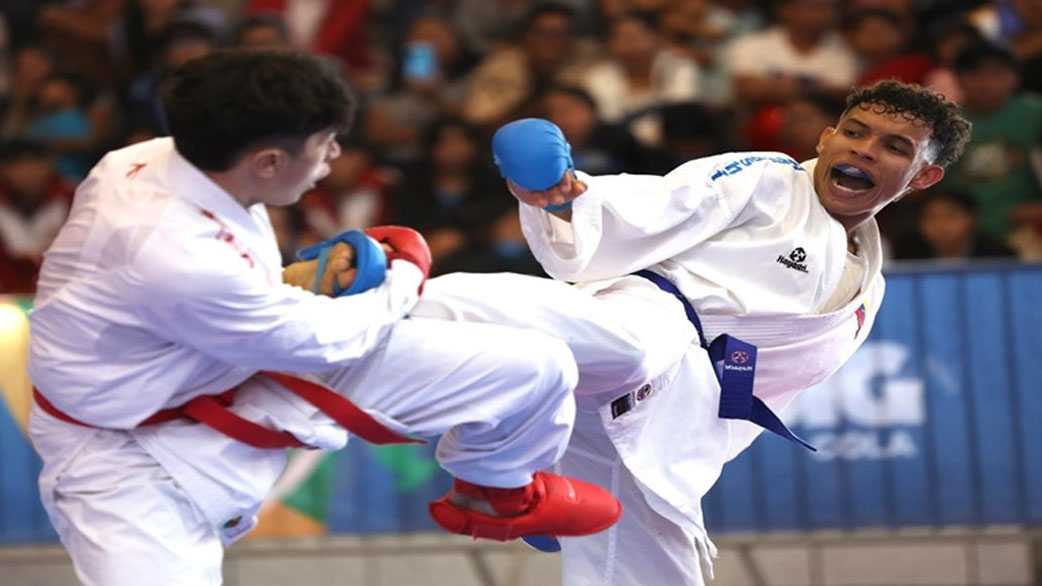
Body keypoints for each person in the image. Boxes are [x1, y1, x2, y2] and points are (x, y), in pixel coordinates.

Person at [27, 48, 621, 586]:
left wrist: (289, 282)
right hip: (120, 450)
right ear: (265, 160)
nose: (335, 155)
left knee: (534, 366)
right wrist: (406, 272)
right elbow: (331, 342)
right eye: (325, 143)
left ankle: (494, 493)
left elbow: (220, 298)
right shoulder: (178, 257)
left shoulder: (145, 159)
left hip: (214, 363)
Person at [400, 79, 971, 585]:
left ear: (924, 175)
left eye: (893, 147)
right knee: (627, 345)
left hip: (669, 415)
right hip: (650, 320)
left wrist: (689, 448)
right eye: (855, 132)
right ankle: (394, 297)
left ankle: (516, 474)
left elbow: (757, 397)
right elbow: (676, 200)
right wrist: (569, 194)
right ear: (825, 138)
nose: (863, 150)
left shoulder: (866, 290)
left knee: (659, 563)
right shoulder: (768, 178)